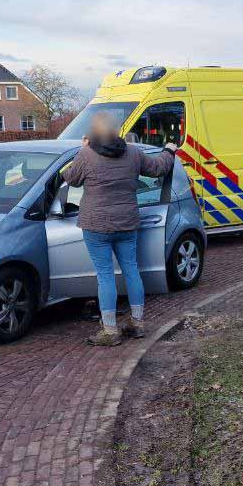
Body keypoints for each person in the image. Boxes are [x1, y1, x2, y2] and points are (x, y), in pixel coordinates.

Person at [63, 114, 176, 346]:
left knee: (105, 275)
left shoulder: (86, 153)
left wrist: (81, 149)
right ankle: (137, 323)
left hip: (96, 225)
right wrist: (169, 150)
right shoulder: (133, 152)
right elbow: (158, 169)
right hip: (127, 223)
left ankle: (110, 330)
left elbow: (70, 179)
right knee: (131, 270)